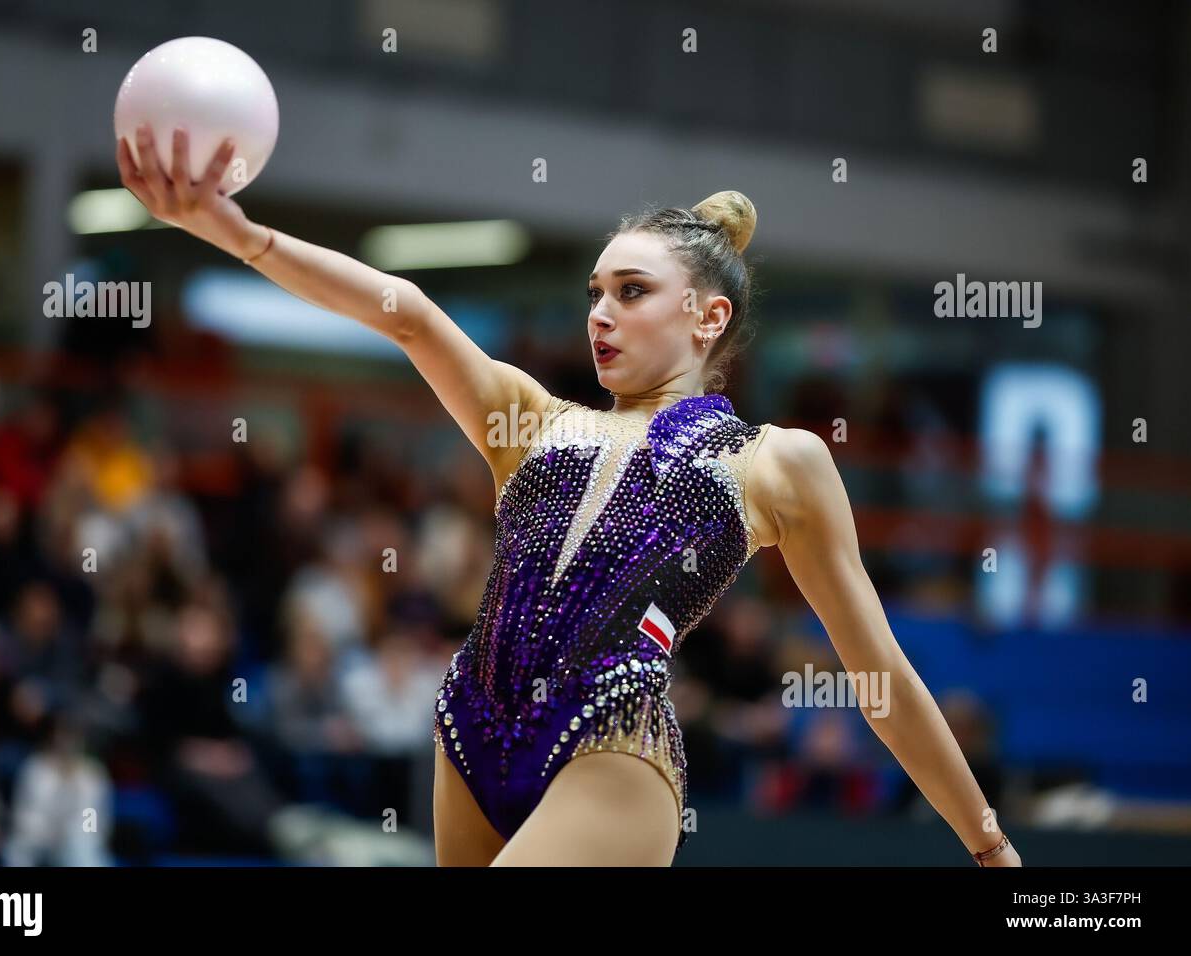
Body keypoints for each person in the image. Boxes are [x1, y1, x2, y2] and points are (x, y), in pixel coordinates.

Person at [115, 127, 1021, 868]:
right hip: (470, 724)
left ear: (708, 317)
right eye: (594, 293)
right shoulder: (530, 419)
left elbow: (877, 673)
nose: (600, 313)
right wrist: (232, 230)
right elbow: (404, 311)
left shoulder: (775, 463)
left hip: (612, 743)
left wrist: (984, 839)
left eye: (632, 292)